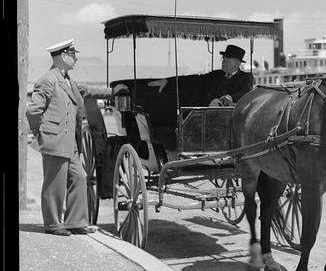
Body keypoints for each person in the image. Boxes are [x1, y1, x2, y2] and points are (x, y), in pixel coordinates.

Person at [26, 39, 128, 236]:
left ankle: (74, 221)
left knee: (80, 178)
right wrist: (43, 132)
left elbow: (88, 90)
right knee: (54, 184)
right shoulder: (47, 80)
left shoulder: (68, 80)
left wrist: (114, 91)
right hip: (55, 141)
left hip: (70, 143)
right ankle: (53, 224)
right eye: (73, 55)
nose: (76, 58)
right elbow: (33, 112)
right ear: (63, 56)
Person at [147, 44, 254, 106]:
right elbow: (192, 79)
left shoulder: (245, 77)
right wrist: (168, 81)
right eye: (223, 59)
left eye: (226, 60)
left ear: (237, 63)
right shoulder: (215, 75)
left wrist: (230, 97)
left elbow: (246, 91)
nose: (223, 62)